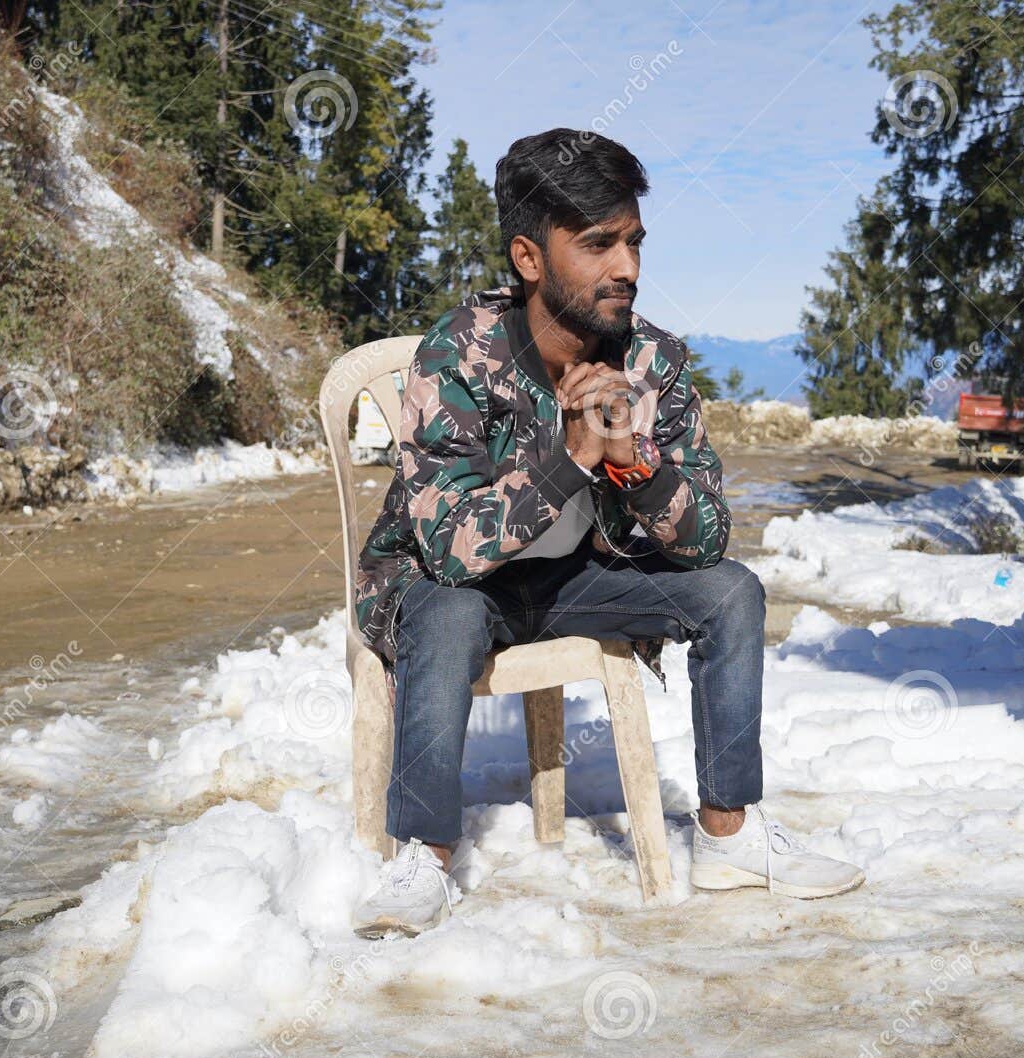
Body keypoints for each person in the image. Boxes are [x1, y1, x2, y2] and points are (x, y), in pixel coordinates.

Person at [349, 128, 864, 938]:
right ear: (529, 257)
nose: (626, 266)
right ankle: (424, 856)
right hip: (455, 590)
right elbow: (450, 549)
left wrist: (633, 462)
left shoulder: (653, 361)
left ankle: (728, 835)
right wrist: (571, 458)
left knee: (732, 593)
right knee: (446, 614)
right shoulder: (458, 354)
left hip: (576, 584)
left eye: (633, 242)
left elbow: (706, 540)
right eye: (597, 244)